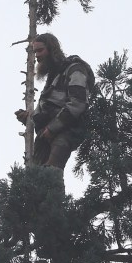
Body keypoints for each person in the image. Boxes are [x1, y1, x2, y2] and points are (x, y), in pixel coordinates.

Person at [15, 33, 95, 170]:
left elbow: (77, 103)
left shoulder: (75, 69)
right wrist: (30, 117)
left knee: (52, 173)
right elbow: (51, 107)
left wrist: (52, 129)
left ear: (52, 50)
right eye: (35, 52)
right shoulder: (54, 76)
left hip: (67, 130)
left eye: (40, 50)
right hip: (46, 135)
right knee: (36, 178)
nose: (37, 56)